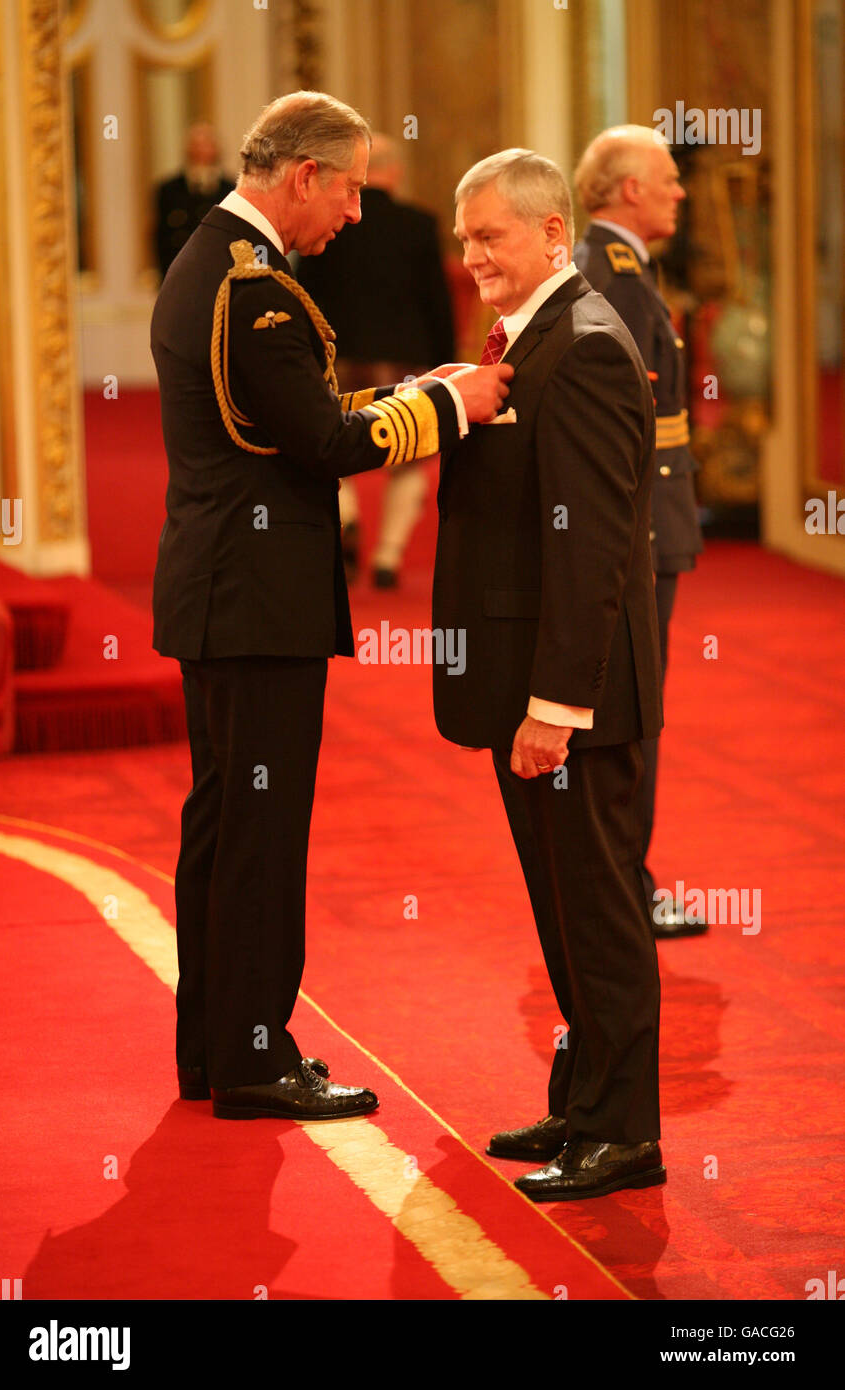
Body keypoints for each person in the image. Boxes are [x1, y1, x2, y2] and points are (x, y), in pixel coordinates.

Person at [151, 91, 512, 1122]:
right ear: (304, 175)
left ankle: (216, 1045)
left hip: (222, 590)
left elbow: (291, 416)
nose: (355, 213)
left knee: (224, 827)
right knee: (258, 832)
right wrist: (453, 404)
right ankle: (257, 1058)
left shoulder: (222, 265)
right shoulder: (253, 288)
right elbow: (323, 444)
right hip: (255, 598)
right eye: (349, 189)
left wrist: (419, 385)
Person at [431, 149, 664, 1200]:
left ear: (554, 235)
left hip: (573, 699)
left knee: (600, 911)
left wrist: (552, 708)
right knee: (560, 906)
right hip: (527, 682)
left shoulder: (586, 348)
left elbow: (592, 550)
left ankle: (624, 1134)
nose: (470, 253)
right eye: (465, 235)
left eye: (491, 236)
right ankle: (583, 1104)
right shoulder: (529, 338)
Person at [573, 125, 706, 939]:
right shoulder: (616, 279)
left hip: (651, 520)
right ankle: (625, 885)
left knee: (630, 708)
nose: (680, 192)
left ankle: (619, 879)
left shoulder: (623, 270)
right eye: (667, 179)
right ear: (629, 190)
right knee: (633, 713)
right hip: (641, 527)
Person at [297, 134, 457, 587]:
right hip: (405, 360)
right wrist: (443, 363)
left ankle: (346, 520)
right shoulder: (420, 224)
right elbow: (437, 302)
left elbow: (303, 292)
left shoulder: (333, 223)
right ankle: (388, 557)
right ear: (398, 171)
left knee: (330, 445)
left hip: (338, 357)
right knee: (409, 455)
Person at [154, 123, 235, 278]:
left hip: (219, 274)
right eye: (197, 145)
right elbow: (161, 239)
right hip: (179, 273)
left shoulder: (230, 190)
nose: (201, 151)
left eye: (207, 145)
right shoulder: (168, 190)